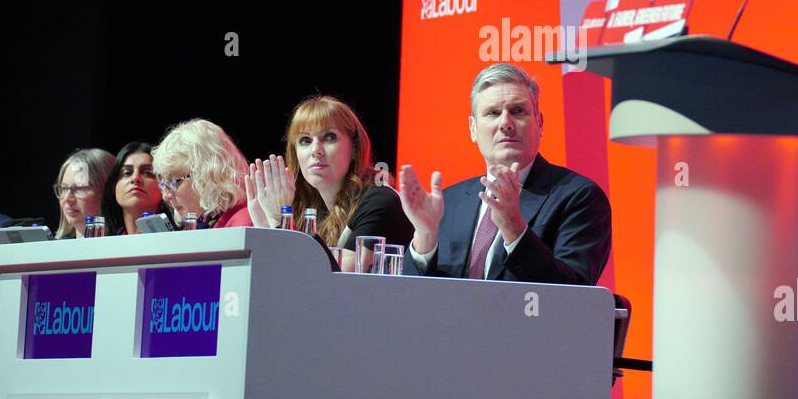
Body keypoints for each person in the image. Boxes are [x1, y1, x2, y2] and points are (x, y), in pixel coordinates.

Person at [397, 63, 611, 284]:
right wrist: (425, 236)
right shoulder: (449, 203)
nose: (505, 123)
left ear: (539, 123)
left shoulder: (579, 197)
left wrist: (513, 227)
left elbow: (573, 294)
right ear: (473, 129)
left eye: (517, 111)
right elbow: (410, 301)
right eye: (493, 113)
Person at [245, 95, 412, 260]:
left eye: (329, 137)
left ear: (354, 148)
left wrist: (281, 219)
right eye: (305, 140)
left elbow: (335, 280)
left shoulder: (380, 201)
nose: (316, 150)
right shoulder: (311, 212)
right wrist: (266, 227)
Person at [152, 119, 252, 228]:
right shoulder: (204, 223)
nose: (166, 196)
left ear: (209, 175)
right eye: (164, 185)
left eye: (175, 182)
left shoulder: (243, 224)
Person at [100, 142, 171, 235]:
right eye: (127, 172)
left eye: (147, 172)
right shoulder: (102, 242)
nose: (135, 178)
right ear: (113, 186)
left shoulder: (182, 238)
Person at [53, 148, 116, 238]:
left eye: (80, 188)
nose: (67, 199)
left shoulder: (127, 246)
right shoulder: (56, 249)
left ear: (108, 191)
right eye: (64, 188)